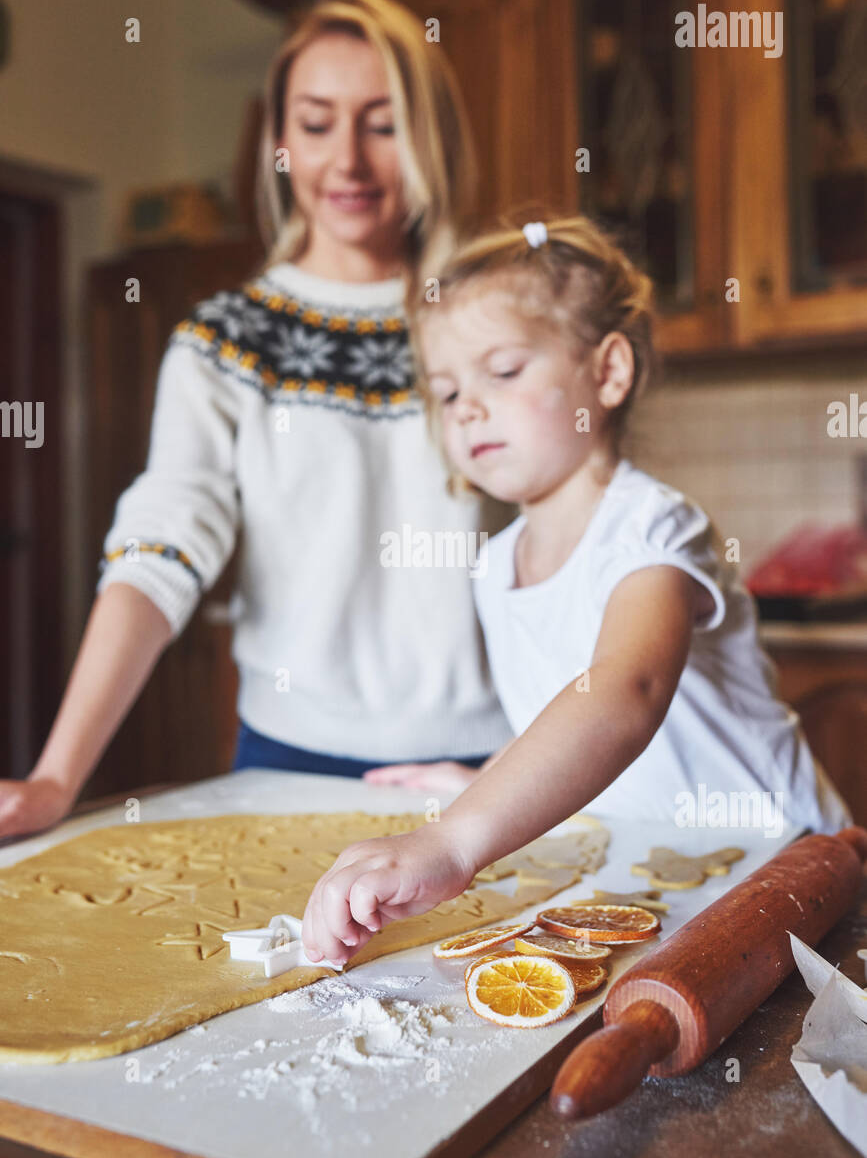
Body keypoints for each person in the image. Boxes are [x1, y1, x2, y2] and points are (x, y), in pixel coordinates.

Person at [0, 0, 513, 842]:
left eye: (381, 124)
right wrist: (57, 777)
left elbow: (582, 529)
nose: (345, 161)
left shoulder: (496, 323)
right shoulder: (225, 341)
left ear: (430, 139)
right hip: (290, 766)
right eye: (315, 124)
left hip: (500, 765)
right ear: (280, 143)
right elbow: (160, 548)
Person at [300, 215, 853, 966]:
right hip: (668, 890)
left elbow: (621, 694)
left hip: (788, 877)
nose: (465, 406)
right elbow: (565, 727)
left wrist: (453, 837)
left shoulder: (652, 528)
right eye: (446, 389)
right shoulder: (495, 566)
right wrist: (485, 779)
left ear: (609, 372)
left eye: (501, 370)